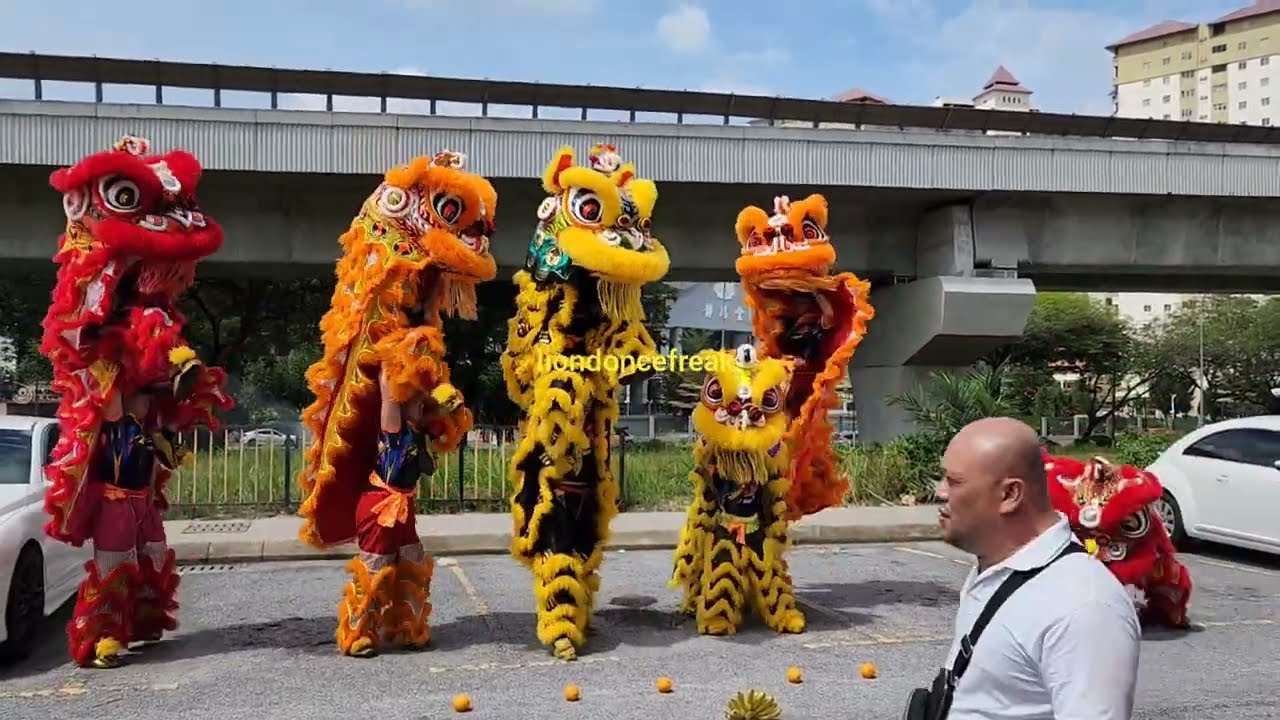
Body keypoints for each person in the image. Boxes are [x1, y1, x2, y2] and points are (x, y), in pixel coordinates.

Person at [933, 417, 1141, 719]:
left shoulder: (1083, 607)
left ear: (1009, 495)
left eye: (954, 481)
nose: (940, 492)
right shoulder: (997, 566)